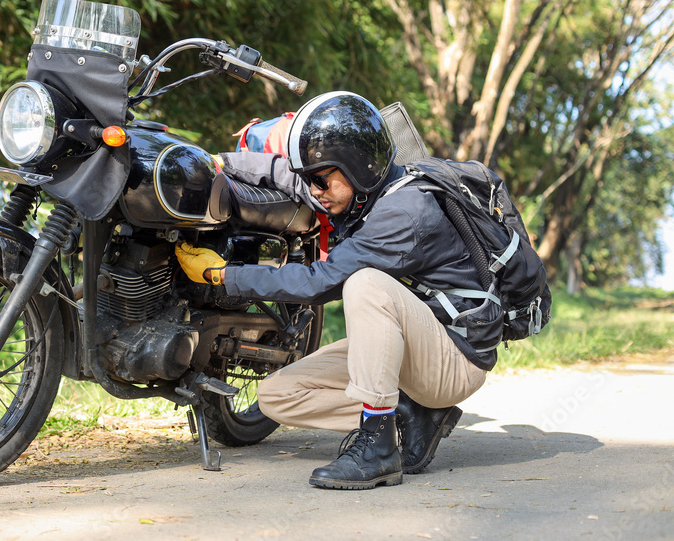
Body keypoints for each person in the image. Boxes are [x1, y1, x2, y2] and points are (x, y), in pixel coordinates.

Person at [176, 92, 493, 491]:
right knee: (276, 396)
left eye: (320, 178)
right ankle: (412, 410)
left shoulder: (404, 213)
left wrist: (226, 276)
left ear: (357, 169)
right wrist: (219, 163)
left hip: (453, 360)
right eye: (311, 178)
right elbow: (286, 174)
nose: (313, 189)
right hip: (417, 344)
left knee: (365, 284)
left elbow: (318, 282)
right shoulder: (359, 191)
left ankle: (378, 446)